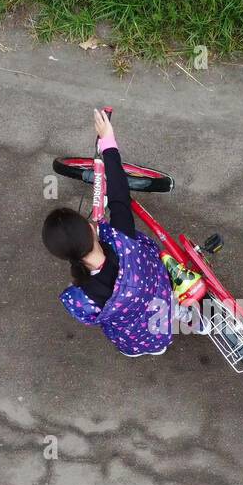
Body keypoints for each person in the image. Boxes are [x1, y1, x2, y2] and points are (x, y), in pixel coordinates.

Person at [42, 109, 199, 357]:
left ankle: (160, 334)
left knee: (139, 324)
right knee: (164, 292)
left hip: (139, 341)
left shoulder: (82, 295)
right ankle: (182, 313)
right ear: (90, 228)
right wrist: (107, 141)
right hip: (160, 301)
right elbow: (118, 193)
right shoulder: (122, 239)